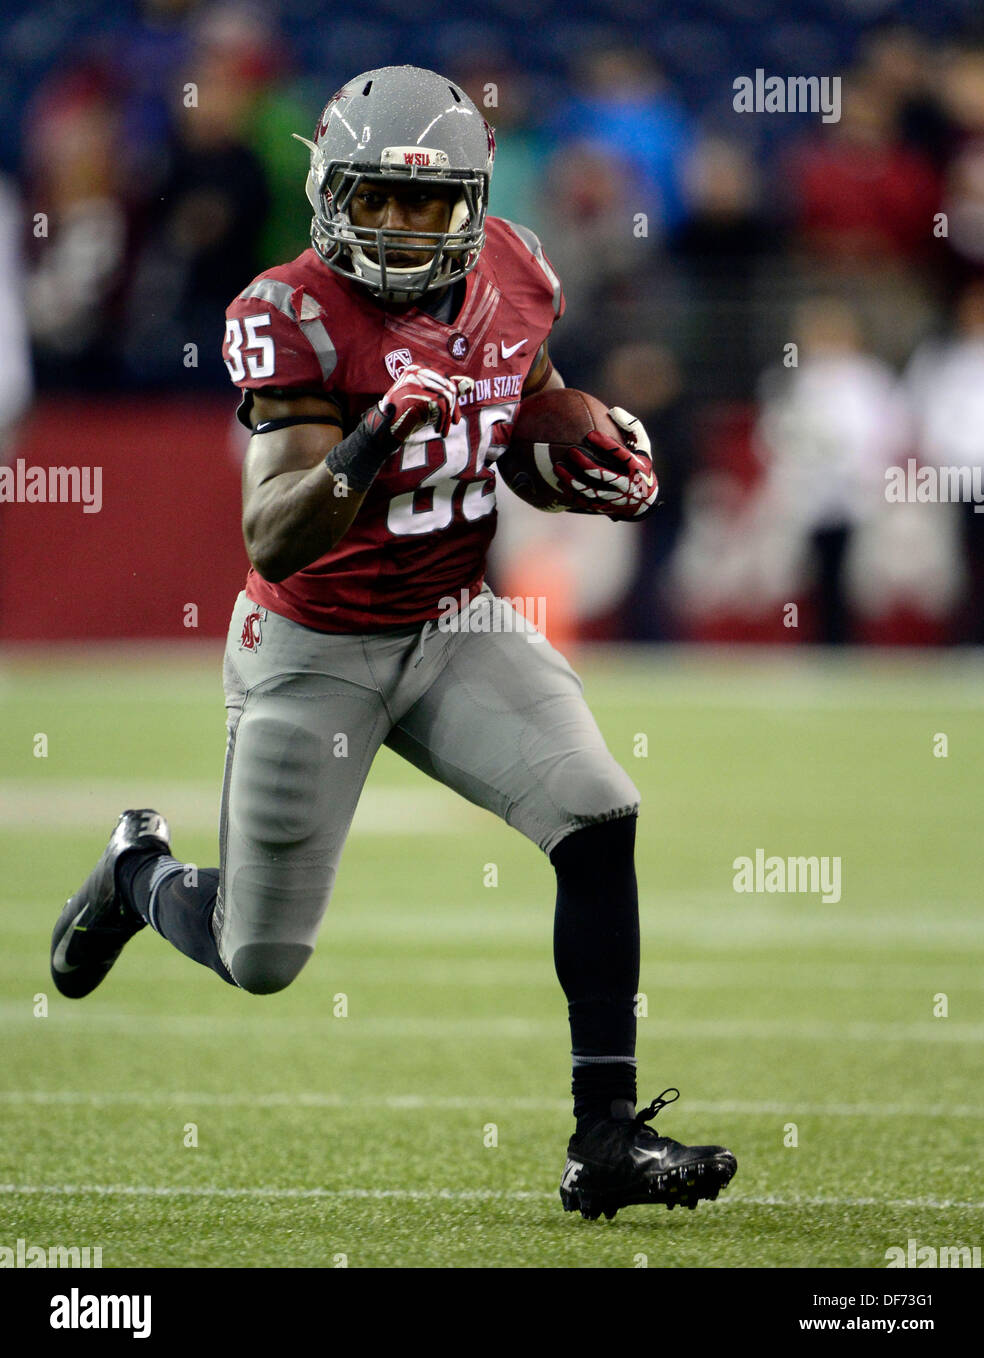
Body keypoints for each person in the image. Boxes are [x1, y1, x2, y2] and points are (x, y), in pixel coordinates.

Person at [50, 65, 736, 1221]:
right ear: (331, 197)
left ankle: (603, 1137)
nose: (406, 227)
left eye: (430, 204)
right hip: (313, 645)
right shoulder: (289, 310)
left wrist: (585, 461)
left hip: (451, 621)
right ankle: (136, 871)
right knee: (260, 956)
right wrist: (372, 435)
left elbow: (521, 416)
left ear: (472, 206)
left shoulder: (516, 270)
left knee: (597, 812)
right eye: (378, 200)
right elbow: (273, 536)